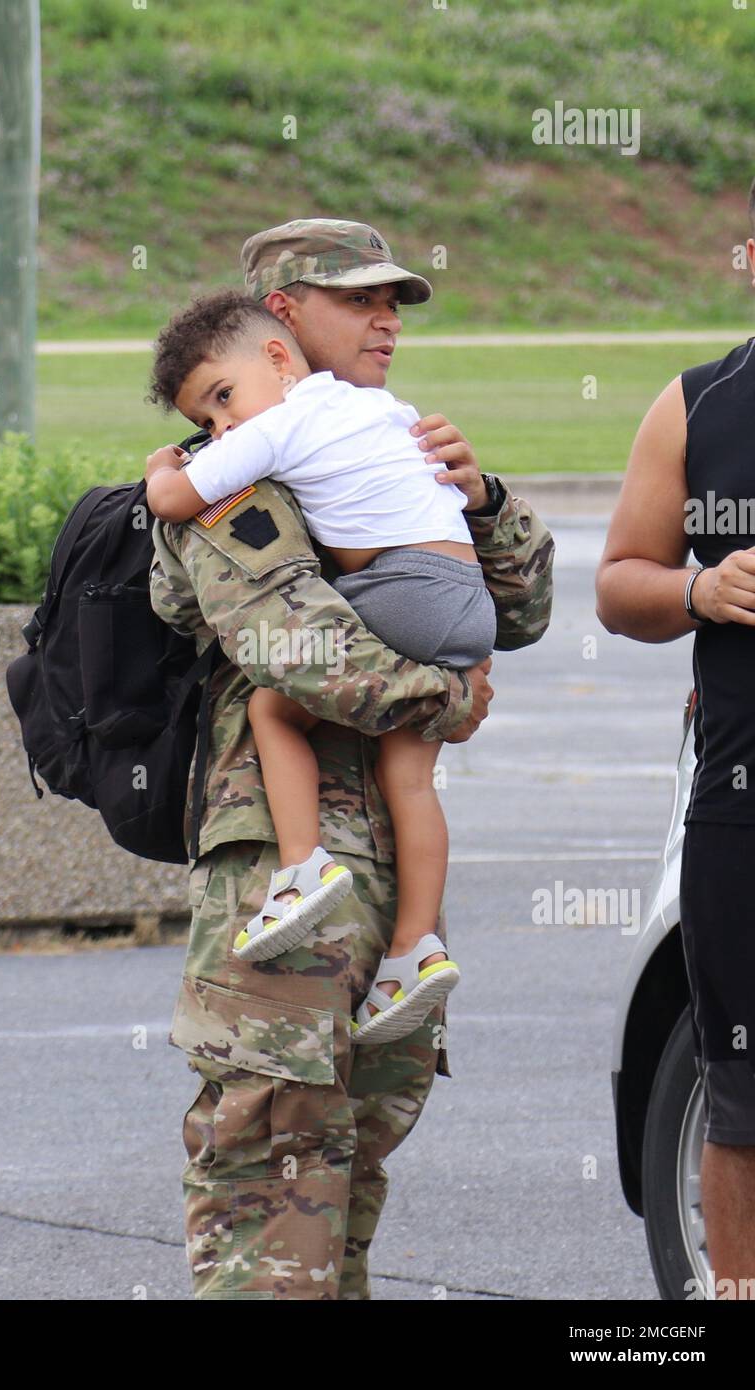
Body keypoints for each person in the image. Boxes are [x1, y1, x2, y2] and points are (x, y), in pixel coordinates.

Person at [149, 217, 554, 1299]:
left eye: (395, 303)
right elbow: (298, 652)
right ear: (280, 320)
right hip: (280, 878)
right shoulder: (233, 477)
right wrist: (446, 694)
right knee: (270, 1194)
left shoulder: (379, 436)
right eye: (360, 301)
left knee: (351, 1177)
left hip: (377, 864)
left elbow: (522, 612)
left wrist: (482, 504)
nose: (387, 322)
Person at [145, 289, 498, 1044]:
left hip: (404, 592)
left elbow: (176, 499)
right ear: (287, 319)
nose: (222, 428)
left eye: (220, 404)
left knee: (274, 708)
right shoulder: (392, 412)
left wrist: (161, 467)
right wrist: (447, 690)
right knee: (413, 782)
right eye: (206, 421)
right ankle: (415, 949)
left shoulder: (280, 426)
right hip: (461, 601)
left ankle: (301, 867)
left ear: (277, 355)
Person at [595, 181, 755, 1296]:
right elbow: (617, 585)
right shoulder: (699, 405)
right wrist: (702, 589)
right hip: (743, 800)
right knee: (739, 1087)